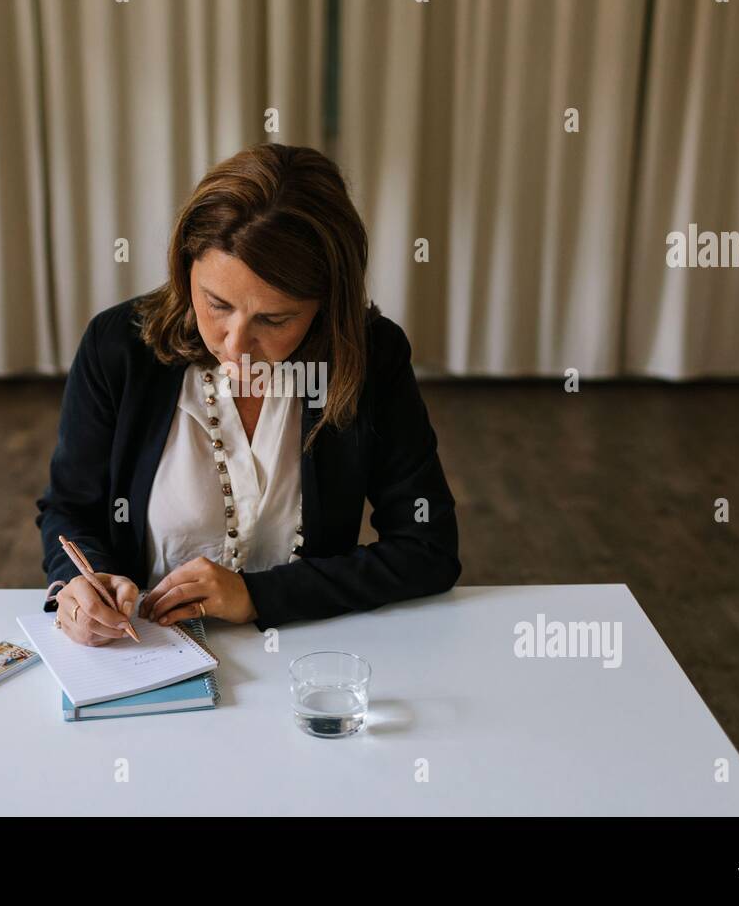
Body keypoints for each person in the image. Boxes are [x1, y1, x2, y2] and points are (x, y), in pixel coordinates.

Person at [35, 143, 460, 646]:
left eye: (274, 319)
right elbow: (70, 509)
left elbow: (427, 547)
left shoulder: (371, 356)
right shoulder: (117, 347)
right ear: (184, 268)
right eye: (217, 304)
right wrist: (83, 581)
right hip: (145, 649)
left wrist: (260, 595)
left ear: (327, 306)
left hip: (311, 652)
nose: (236, 346)